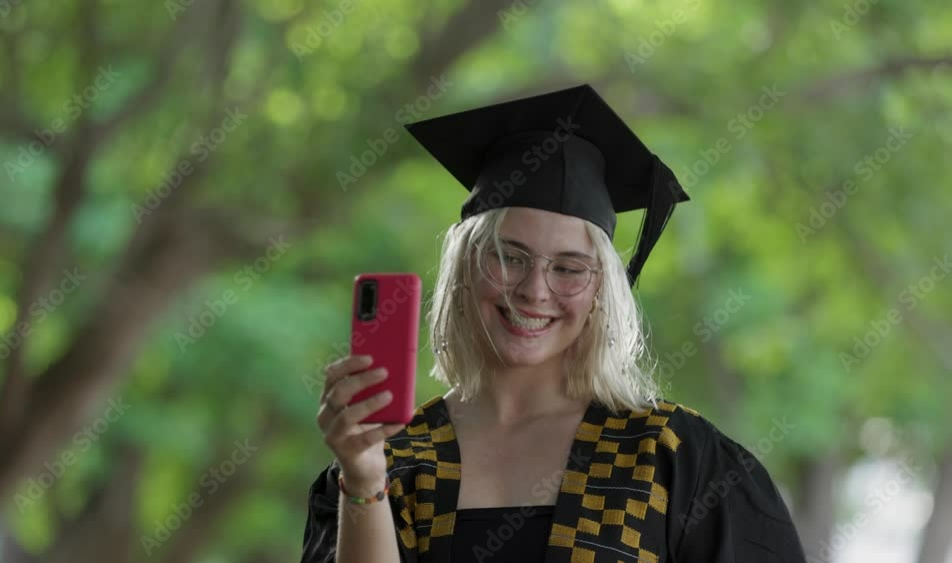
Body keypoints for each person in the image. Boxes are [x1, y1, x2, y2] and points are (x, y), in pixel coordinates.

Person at [301, 84, 806, 563]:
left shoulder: (674, 457)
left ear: (601, 291)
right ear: (465, 268)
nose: (534, 290)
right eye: (508, 257)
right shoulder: (396, 459)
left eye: (567, 268)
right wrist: (365, 476)